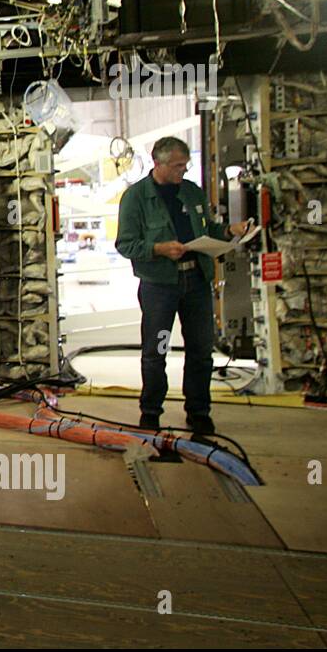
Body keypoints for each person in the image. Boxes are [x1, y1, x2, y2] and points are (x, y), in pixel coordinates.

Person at [115, 136, 252, 436]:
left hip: (196, 282)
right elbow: (125, 244)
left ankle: (199, 411)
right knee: (157, 350)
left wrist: (229, 230)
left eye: (185, 165)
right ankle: (151, 412)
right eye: (177, 166)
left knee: (201, 349)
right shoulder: (136, 198)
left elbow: (208, 229)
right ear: (158, 163)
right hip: (160, 287)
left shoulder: (192, 192)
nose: (183, 171)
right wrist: (159, 249)